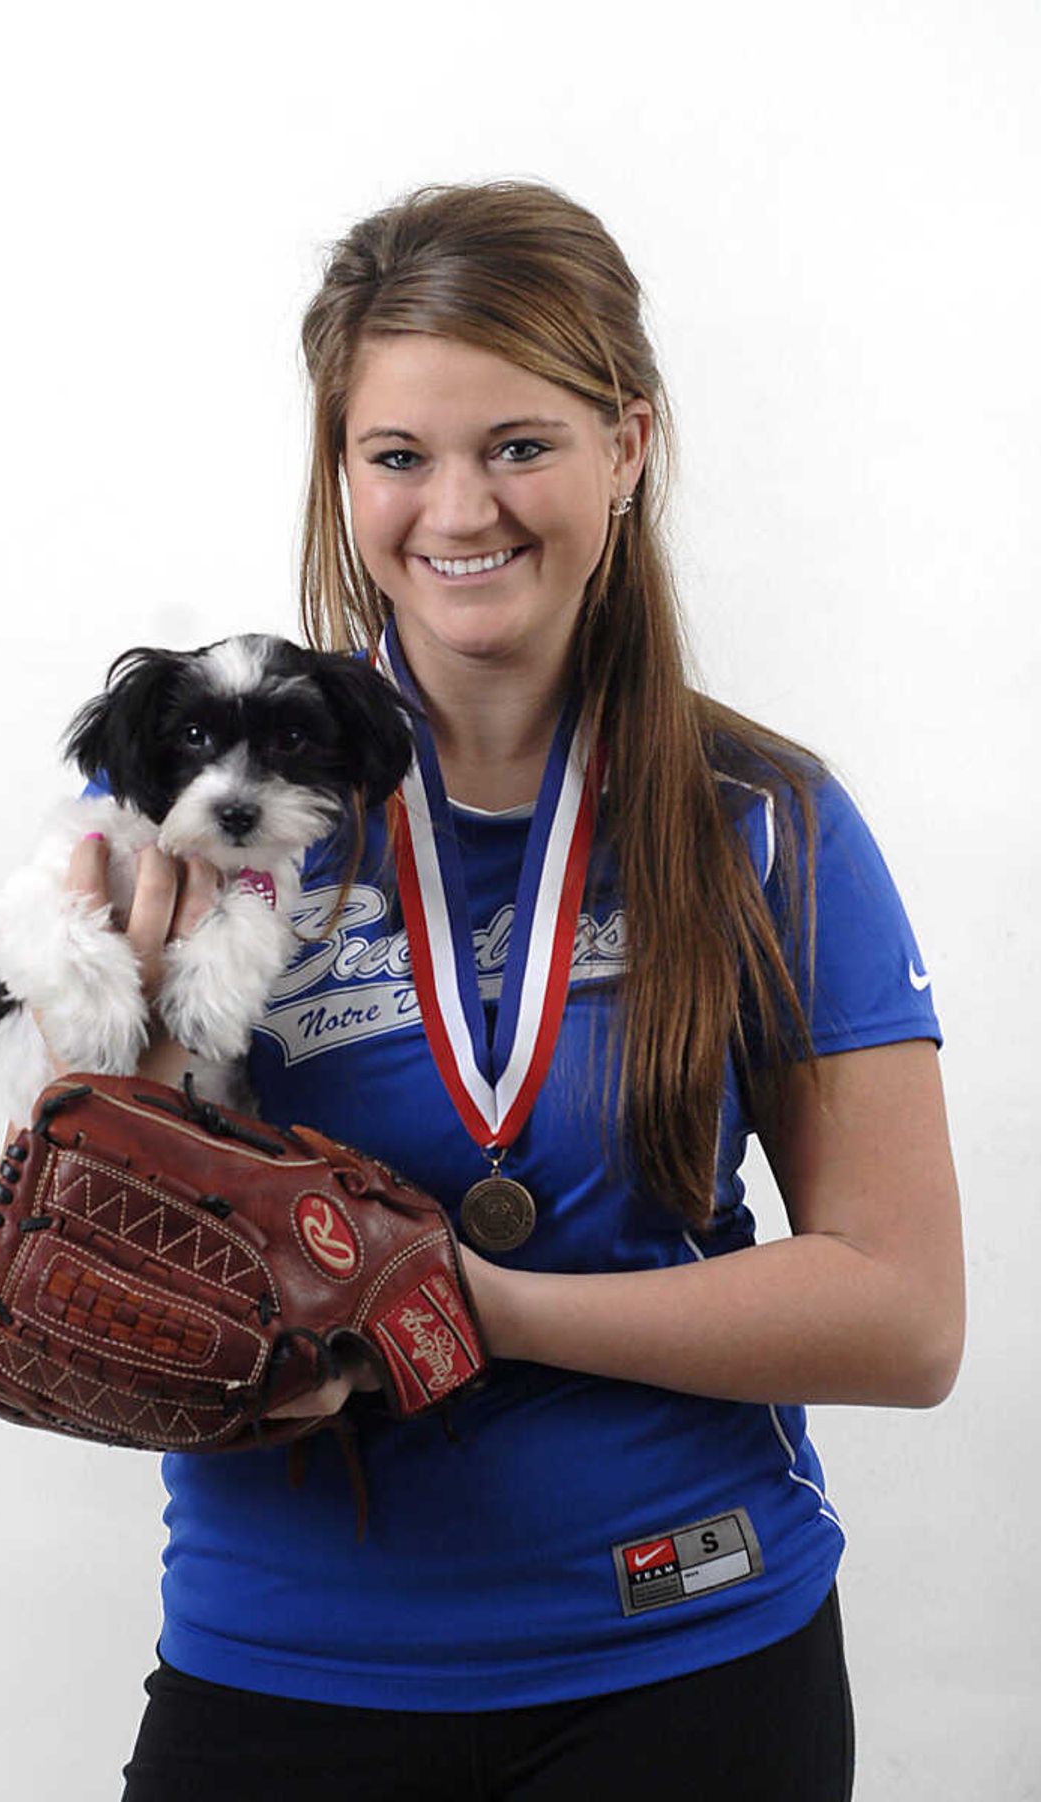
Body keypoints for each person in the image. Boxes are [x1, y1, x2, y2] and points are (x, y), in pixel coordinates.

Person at [62, 182, 962, 1801]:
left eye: (520, 443)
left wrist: (473, 1307)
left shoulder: (764, 818)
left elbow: (903, 1317)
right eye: (397, 454)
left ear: (627, 444)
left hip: (688, 1658)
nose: (457, 506)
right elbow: (99, 1262)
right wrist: (106, 1062)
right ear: (343, 473)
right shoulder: (199, 829)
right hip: (286, 1667)